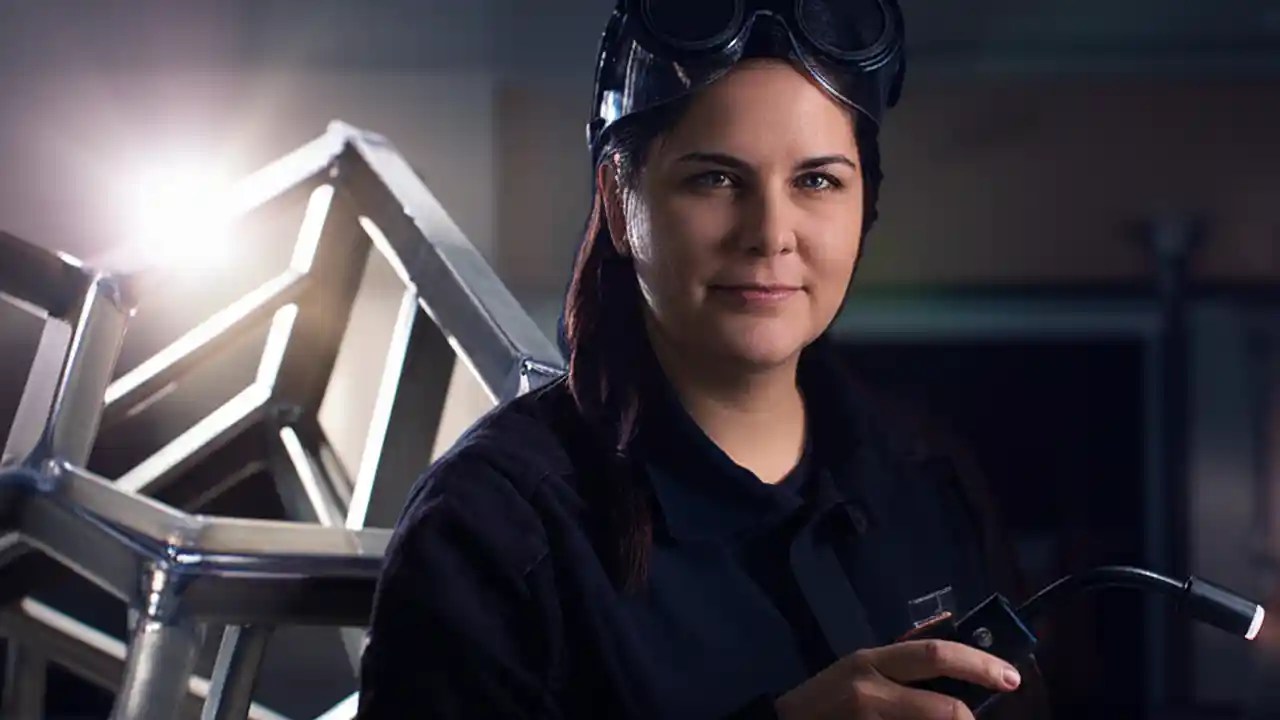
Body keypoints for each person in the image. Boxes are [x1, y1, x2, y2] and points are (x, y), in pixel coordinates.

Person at [358, 1, 1051, 718]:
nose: (769, 234)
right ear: (621, 206)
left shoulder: (926, 481)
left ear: (864, 207)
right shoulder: (492, 531)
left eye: (817, 181)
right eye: (715, 179)